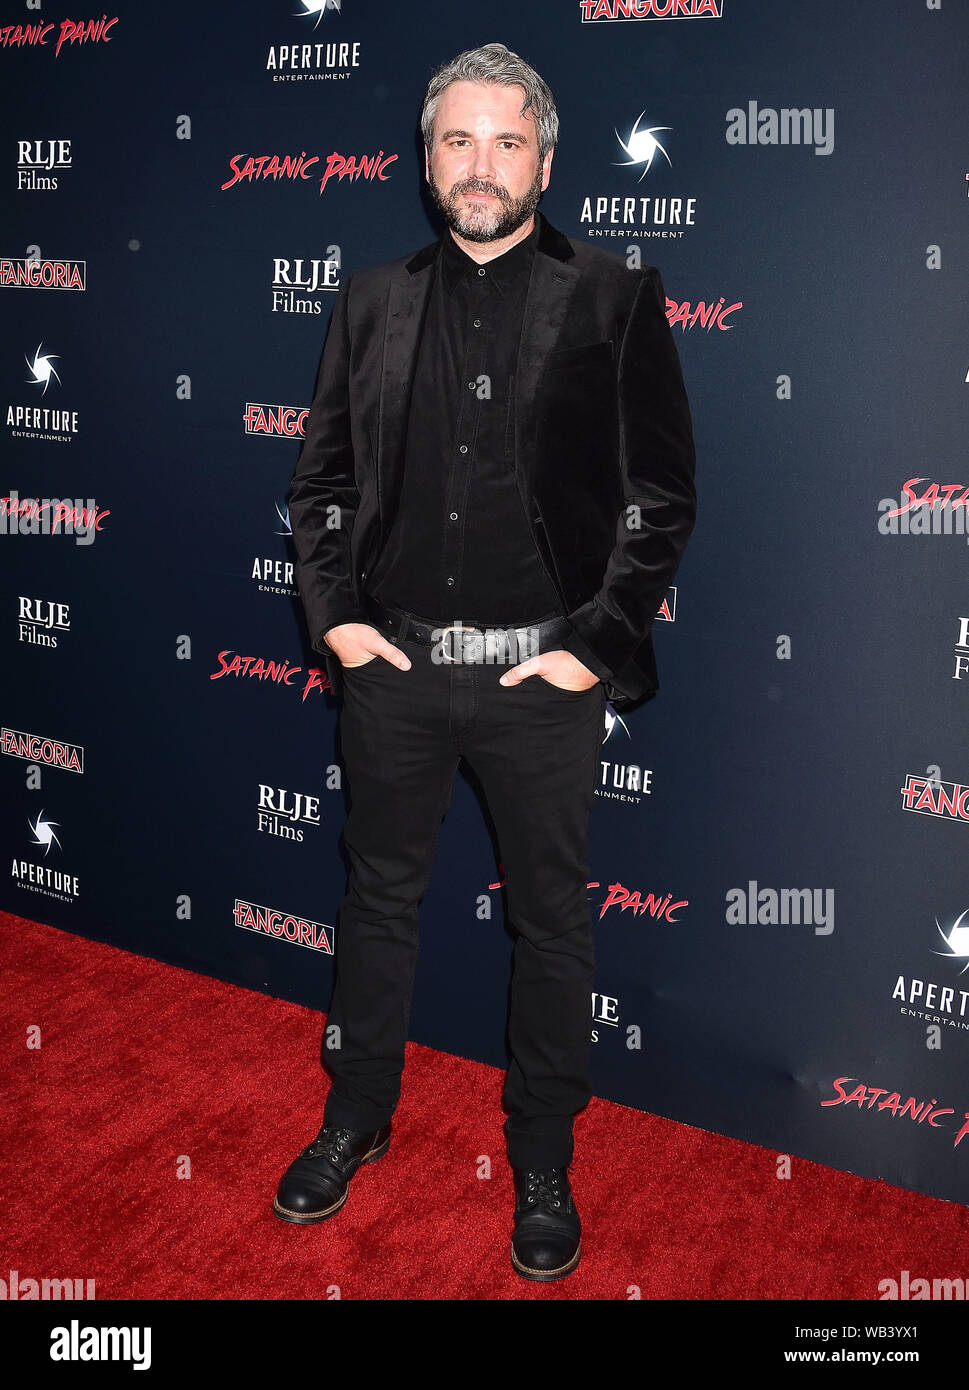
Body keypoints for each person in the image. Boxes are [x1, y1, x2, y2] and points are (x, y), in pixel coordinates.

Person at [276, 40, 696, 1282]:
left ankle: (546, 1157)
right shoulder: (367, 300)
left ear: (546, 160)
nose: (480, 163)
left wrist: (594, 651)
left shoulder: (616, 297)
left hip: (541, 684)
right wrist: (339, 622)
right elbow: (320, 486)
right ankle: (355, 1116)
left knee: (555, 926)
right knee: (377, 904)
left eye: (506, 140)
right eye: (457, 139)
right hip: (392, 671)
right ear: (424, 159)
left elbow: (661, 498)